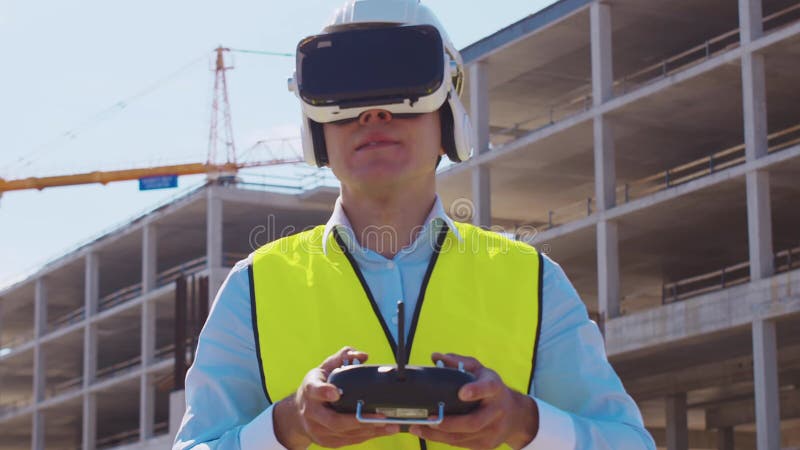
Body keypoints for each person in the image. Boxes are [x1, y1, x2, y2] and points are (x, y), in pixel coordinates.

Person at [174, 1, 656, 449]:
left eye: (402, 82)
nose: (373, 113)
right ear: (315, 128)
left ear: (449, 115)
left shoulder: (534, 280)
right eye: (346, 91)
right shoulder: (254, 288)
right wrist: (287, 426)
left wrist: (523, 421)